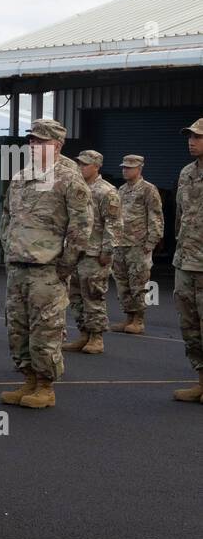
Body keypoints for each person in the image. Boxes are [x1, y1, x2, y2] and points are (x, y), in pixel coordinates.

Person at [0, 119, 90, 409]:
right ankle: (28, 379)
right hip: (18, 265)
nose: (34, 145)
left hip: (47, 268)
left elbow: (82, 225)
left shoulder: (69, 177)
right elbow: (7, 215)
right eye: (32, 141)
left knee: (46, 329)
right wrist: (7, 248)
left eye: (41, 141)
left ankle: (45, 386)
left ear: (58, 145)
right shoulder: (23, 174)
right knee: (17, 327)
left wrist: (66, 264)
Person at [62, 151, 120, 355]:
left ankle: (97, 337)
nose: (81, 167)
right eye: (79, 163)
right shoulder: (76, 187)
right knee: (75, 295)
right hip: (74, 250)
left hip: (95, 252)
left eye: (85, 164)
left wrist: (108, 251)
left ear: (97, 166)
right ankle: (84, 334)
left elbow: (113, 224)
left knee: (93, 294)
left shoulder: (106, 191)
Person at [109, 154, 163, 334]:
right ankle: (128, 318)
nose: (125, 170)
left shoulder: (149, 189)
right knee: (122, 282)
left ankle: (139, 320)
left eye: (129, 167)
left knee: (138, 282)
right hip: (120, 243)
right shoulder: (122, 190)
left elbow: (155, 216)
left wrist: (151, 242)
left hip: (138, 244)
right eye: (124, 167)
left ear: (139, 169)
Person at [171, 119, 203, 403]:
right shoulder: (186, 173)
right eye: (190, 137)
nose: (191, 141)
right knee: (190, 326)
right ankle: (201, 381)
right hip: (187, 260)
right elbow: (181, 215)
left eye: (198, 137)